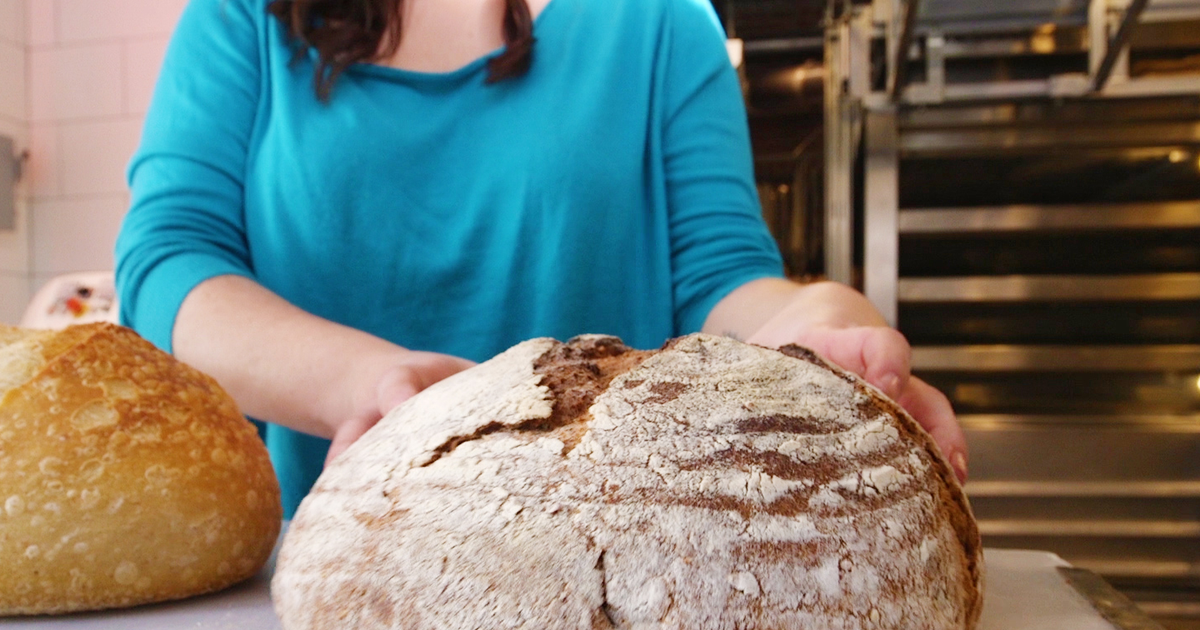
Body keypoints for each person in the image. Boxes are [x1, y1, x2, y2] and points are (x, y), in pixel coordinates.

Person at [115, 0, 967, 518]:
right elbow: (170, 261)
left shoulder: (662, 20)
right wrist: (375, 387)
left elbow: (720, 276)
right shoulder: (244, 20)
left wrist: (818, 325)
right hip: (341, 552)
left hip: (620, 568)